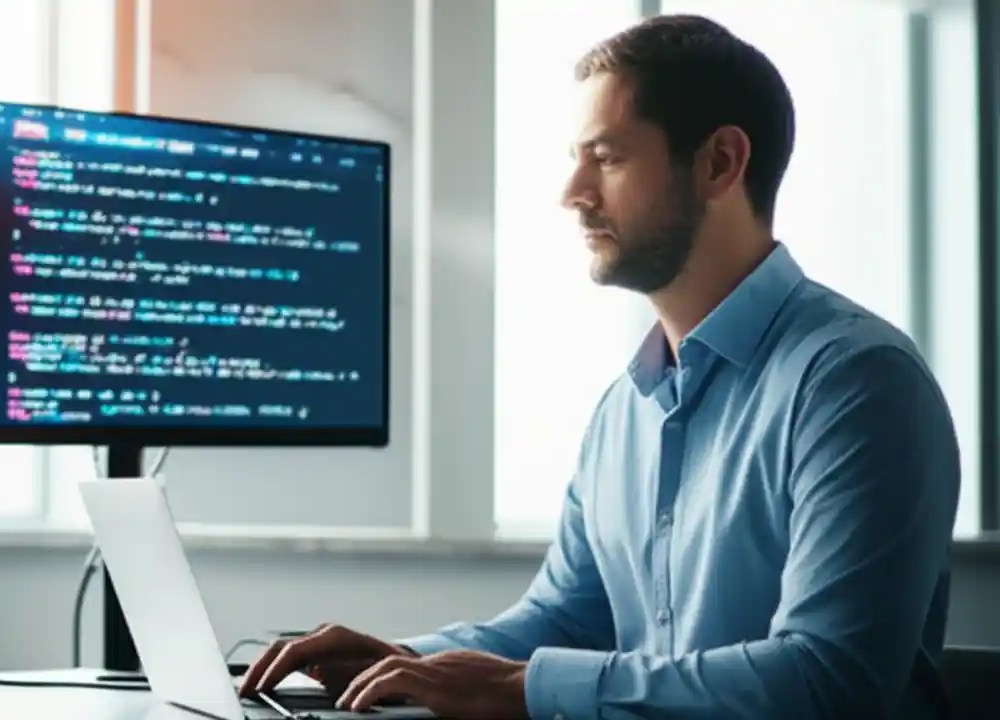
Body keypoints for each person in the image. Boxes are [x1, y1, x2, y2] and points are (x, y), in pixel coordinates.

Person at [239, 13, 959, 720]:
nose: (572, 192)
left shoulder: (858, 384)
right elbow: (568, 619)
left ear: (720, 163)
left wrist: (521, 689)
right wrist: (405, 664)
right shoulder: (626, 407)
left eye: (607, 158)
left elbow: (828, 681)